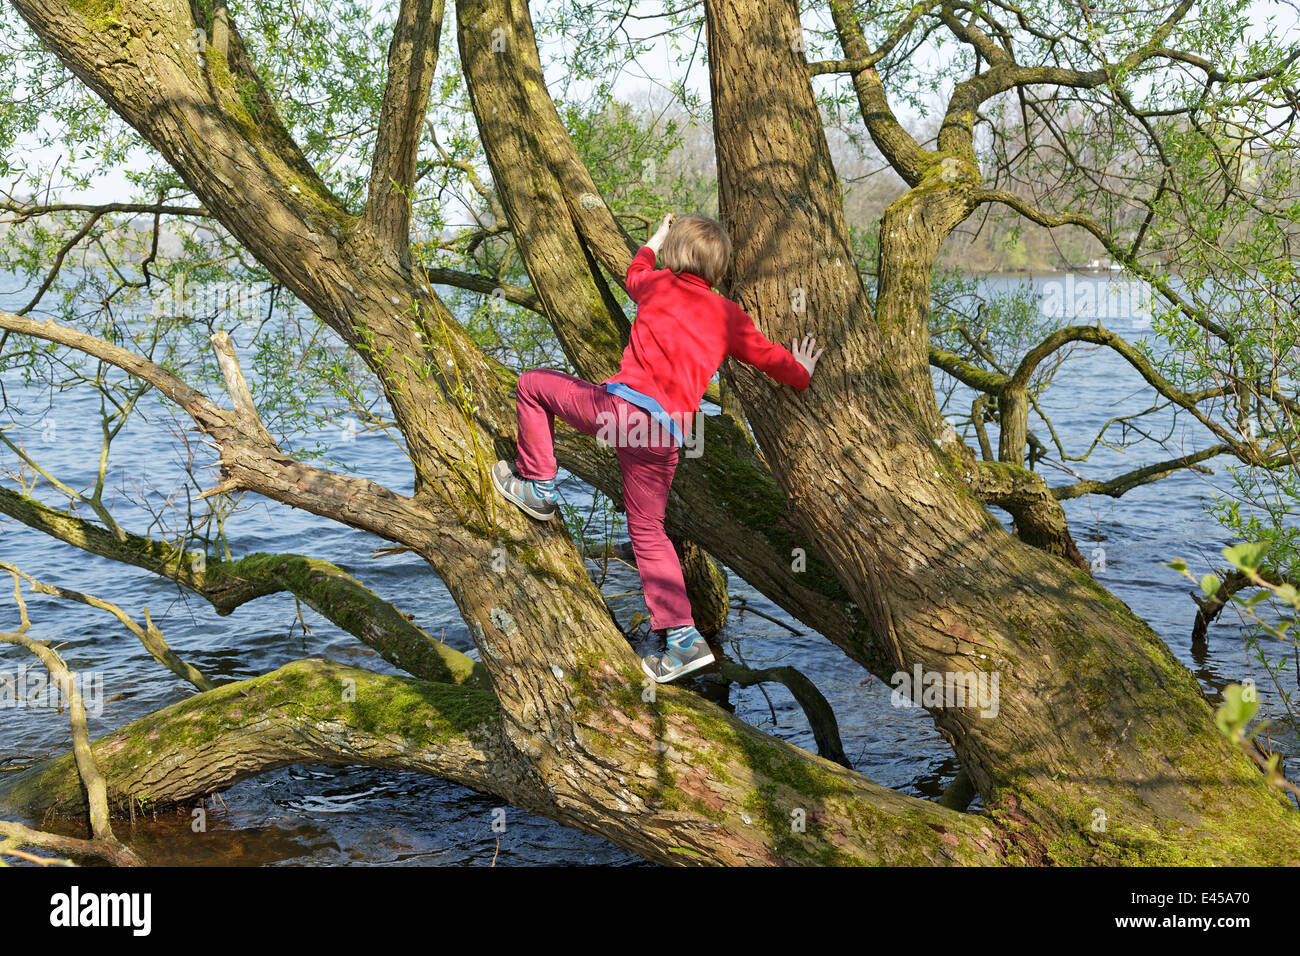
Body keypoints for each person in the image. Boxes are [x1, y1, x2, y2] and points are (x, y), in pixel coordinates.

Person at [492, 212, 824, 683]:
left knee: (532, 385)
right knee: (649, 531)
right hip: (664, 436)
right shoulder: (728, 315)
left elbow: (634, 273)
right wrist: (803, 370)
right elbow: (770, 358)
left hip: (619, 414)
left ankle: (538, 486)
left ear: (675, 255)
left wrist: (656, 237)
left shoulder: (658, 285)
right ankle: (683, 640)